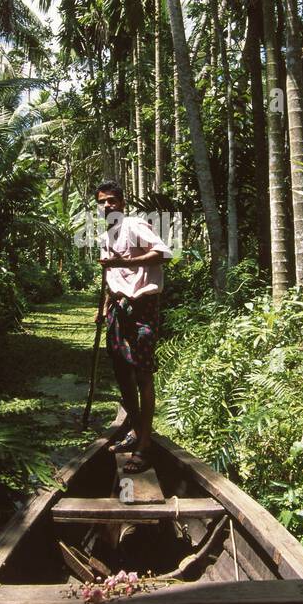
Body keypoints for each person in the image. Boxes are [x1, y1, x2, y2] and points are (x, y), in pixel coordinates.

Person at [94, 180, 172, 472]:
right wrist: (104, 308)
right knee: (121, 370)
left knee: (142, 373)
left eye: (112, 201)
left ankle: (145, 445)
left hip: (142, 308)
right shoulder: (106, 236)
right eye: (102, 202)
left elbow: (164, 253)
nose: (106, 206)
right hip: (117, 309)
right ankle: (137, 429)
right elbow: (111, 279)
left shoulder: (135, 225)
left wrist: (124, 262)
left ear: (122, 203)